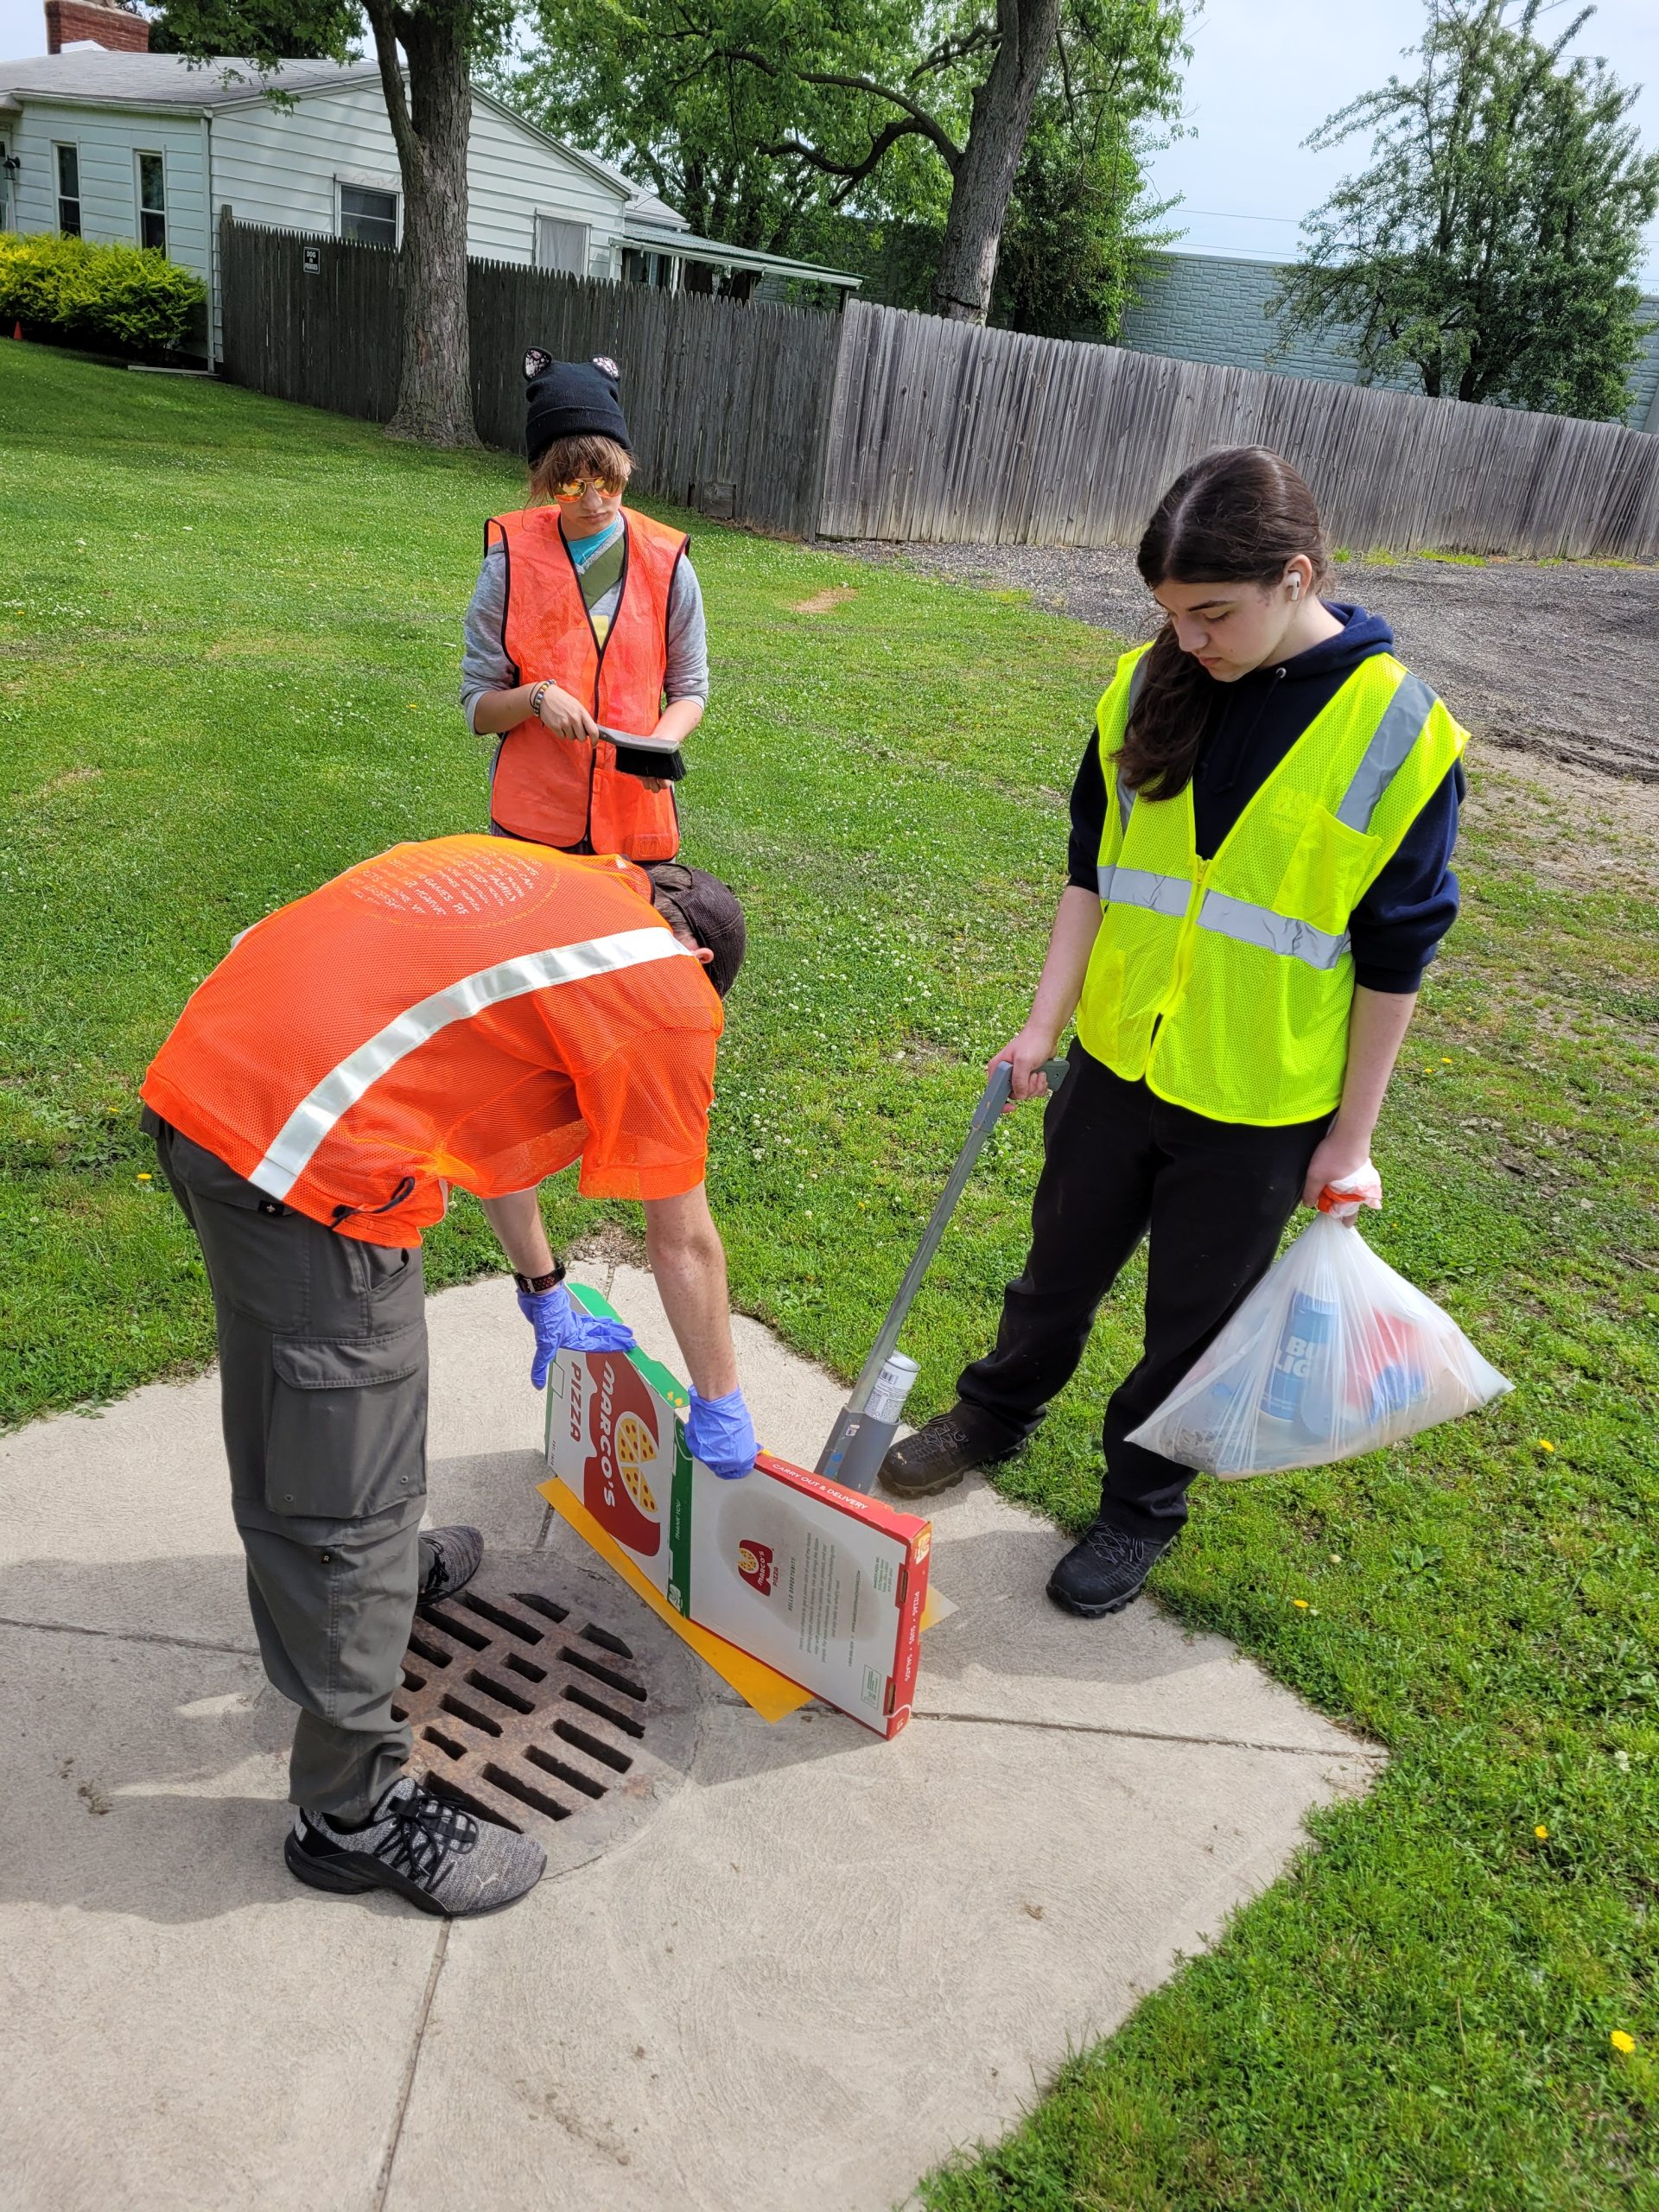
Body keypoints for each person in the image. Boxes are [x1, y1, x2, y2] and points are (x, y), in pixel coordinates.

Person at [880, 446, 1467, 1618]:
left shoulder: (1400, 733)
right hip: (1118, 1064)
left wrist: (1350, 1142)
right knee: (1054, 1275)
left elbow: (1398, 958)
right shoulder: (1145, 684)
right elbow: (1092, 874)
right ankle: (995, 1412)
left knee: (1190, 1329)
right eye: (1169, 613)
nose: (1188, 638)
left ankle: (1140, 1509)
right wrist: (1043, 1026)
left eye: (1213, 614)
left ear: (1296, 577)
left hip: (1258, 1102)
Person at [140, 834, 753, 1916]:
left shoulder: (554, 894)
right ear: (699, 961)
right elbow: (685, 1243)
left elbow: (489, 1133)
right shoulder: (665, 992)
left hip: (220, 1090)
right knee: (345, 1479)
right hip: (301, 1163)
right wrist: (721, 1403)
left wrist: (545, 1285)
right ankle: (352, 1813)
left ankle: (370, 1580)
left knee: (317, 1404)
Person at [461, 351, 709, 861]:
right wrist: (535, 697)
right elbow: (480, 707)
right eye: (571, 485)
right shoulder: (508, 563)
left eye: (608, 481)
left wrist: (657, 750)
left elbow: (690, 689)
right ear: (543, 482)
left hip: (632, 823)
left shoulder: (667, 563)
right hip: (533, 827)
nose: (593, 502)